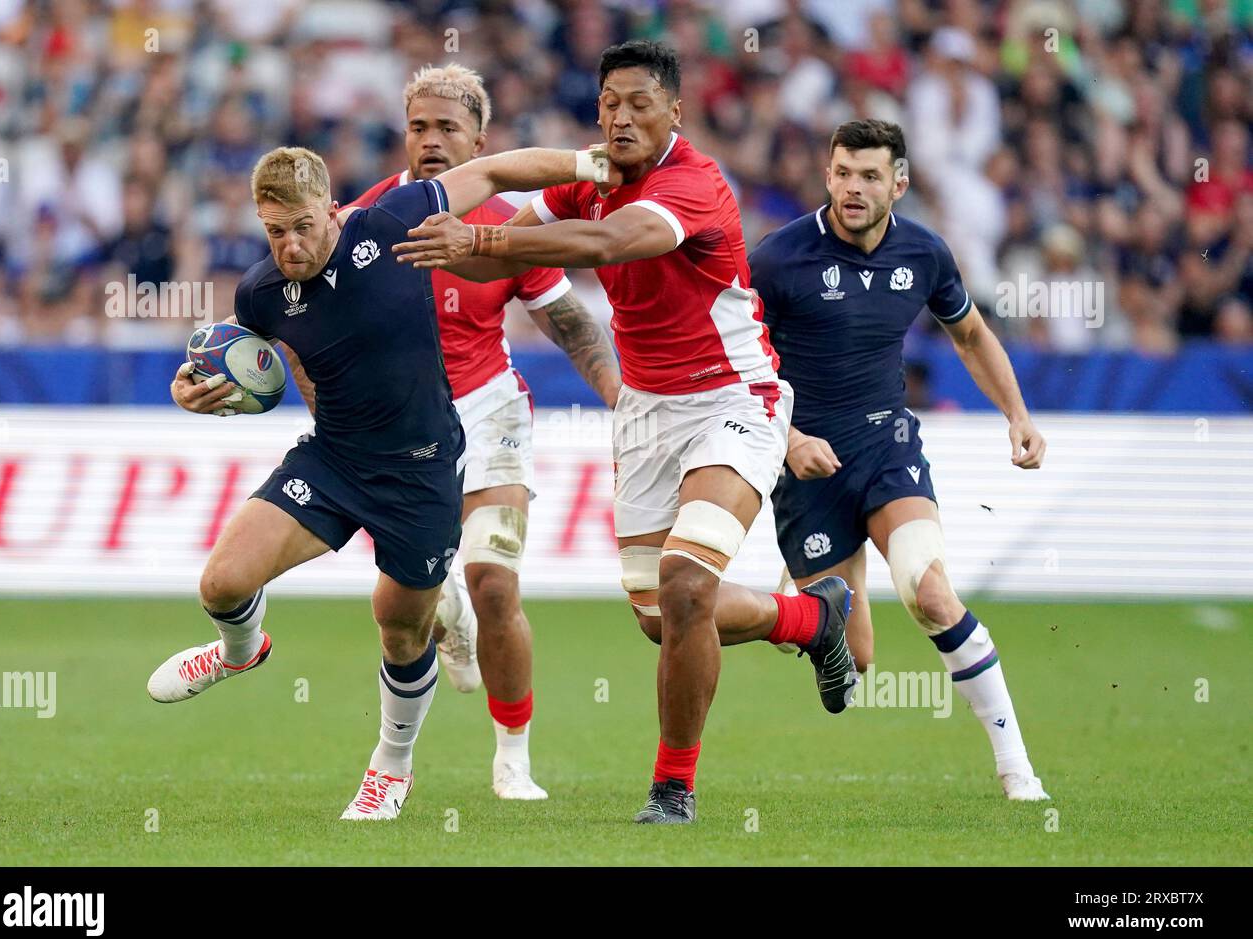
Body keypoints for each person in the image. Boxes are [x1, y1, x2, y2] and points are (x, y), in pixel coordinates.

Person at [393, 40, 857, 825]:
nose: (621, 117)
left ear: (674, 111)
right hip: (645, 412)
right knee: (658, 616)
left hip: (730, 399)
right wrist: (432, 226)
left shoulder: (695, 184)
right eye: (609, 103)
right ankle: (813, 618)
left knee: (685, 584)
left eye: (639, 102)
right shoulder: (591, 180)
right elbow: (498, 217)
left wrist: (481, 241)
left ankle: (672, 788)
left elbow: (602, 245)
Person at [146, 140, 619, 821]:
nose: (290, 247)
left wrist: (586, 164)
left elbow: (491, 171)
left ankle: (390, 769)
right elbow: (223, 357)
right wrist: (190, 389)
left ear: (332, 212)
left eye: (302, 227)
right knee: (221, 583)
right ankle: (238, 652)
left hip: (423, 471)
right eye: (274, 232)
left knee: (400, 629)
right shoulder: (261, 291)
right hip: (335, 460)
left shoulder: (392, 223)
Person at [341, 64, 622, 802]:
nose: (430, 142)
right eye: (418, 127)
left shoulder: (506, 227)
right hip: (397, 431)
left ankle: (513, 754)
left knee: (494, 580)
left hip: (490, 414)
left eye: (447, 129)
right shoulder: (366, 223)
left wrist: (622, 399)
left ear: (481, 141)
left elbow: (569, 323)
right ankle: (444, 613)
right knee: (414, 600)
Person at [751, 119, 1050, 801]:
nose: (853, 188)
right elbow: (737, 362)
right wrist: (790, 439)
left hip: (887, 445)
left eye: (869, 176)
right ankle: (799, 610)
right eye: (843, 173)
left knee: (930, 590)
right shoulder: (777, 260)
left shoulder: (925, 253)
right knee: (853, 661)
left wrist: (1018, 414)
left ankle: (1016, 769)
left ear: (900, 184)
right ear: (827, 175)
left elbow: (971, 336)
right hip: (807, 465)